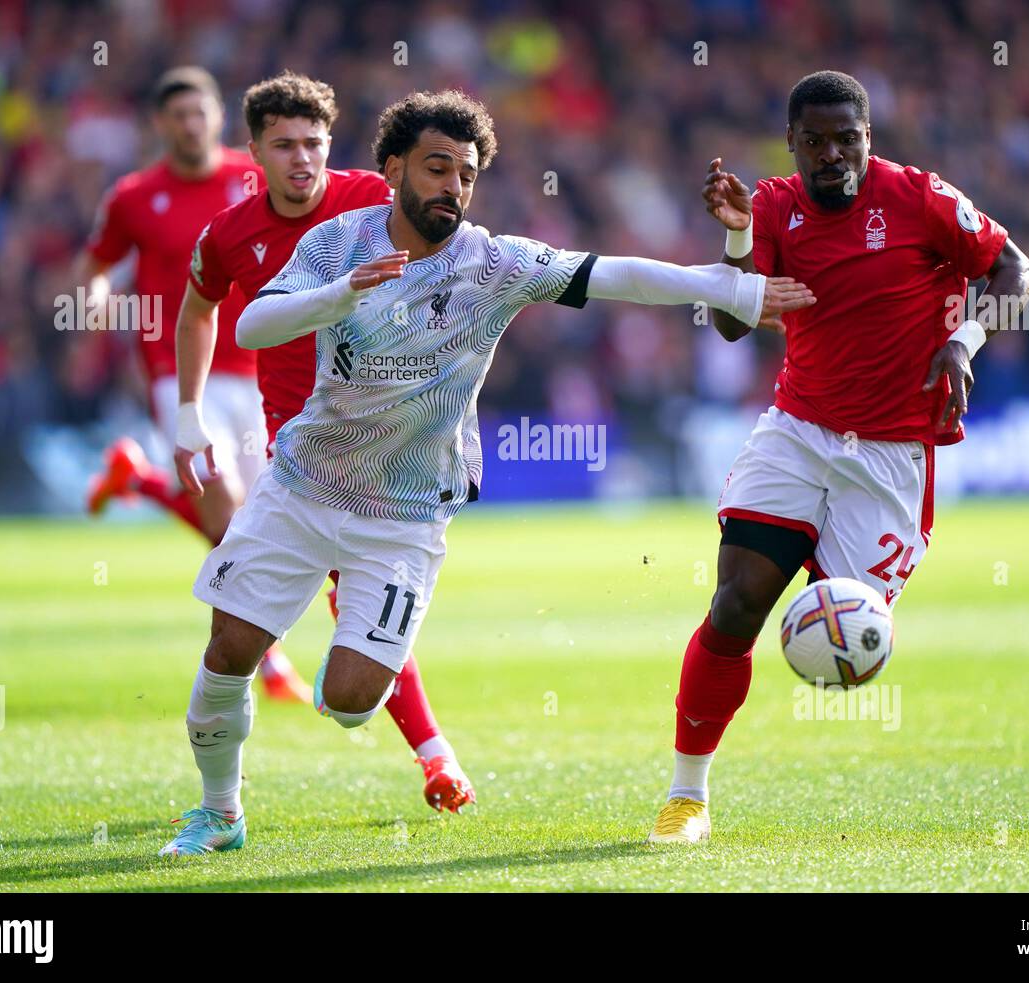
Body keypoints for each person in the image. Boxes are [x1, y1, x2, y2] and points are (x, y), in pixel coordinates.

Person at [159, 89, 813, 856]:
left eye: (467, 175)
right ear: (395, 167)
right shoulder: (338, 243)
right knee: (227, 652)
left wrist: (725, 284)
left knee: (348, 703)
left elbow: (616, 275)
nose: (454, 189)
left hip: (403, 515)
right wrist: (341, 293)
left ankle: (390, 723)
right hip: (302, 484)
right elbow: (249, 323)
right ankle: (219, 811)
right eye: (438, 169)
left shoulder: (494, 263)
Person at [646, 70, 1029, 845]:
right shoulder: (768, 207)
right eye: (815, 141)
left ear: (868, 140)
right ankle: (686, 795)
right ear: (791, 144)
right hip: (800, 432)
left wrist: (965, 339)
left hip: (893, 455)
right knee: (734, 608)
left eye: (846, 140)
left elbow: (1014, 269)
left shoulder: (919, 198)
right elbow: (730, 326)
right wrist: (733, 239)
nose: (833, 155)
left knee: (847, 634)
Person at [173, 71, 473, 812]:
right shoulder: (231, 235)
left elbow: (460, 271)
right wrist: (188, 411)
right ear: (253, 152)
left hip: (385, 446)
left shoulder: (377, 198)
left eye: (313, 143)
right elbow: (197, 312)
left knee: (355, 618)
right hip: (296, 446)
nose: (301, 160)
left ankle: (429, 750)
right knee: (238, 638)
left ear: (330, 145)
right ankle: (228, 805)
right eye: (283, 145)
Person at [78, 66, 308, 702]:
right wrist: (94, 299)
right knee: (227, 505)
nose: (190, 124)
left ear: (217, 116)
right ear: (161, 124)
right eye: (177, 115)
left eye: (199, 112)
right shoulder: (133, 195)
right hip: (183, 372)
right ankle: (268, 658)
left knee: (256, 519)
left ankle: (142, 481)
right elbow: (96, 265)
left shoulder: (255, 175)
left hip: (266, 366)